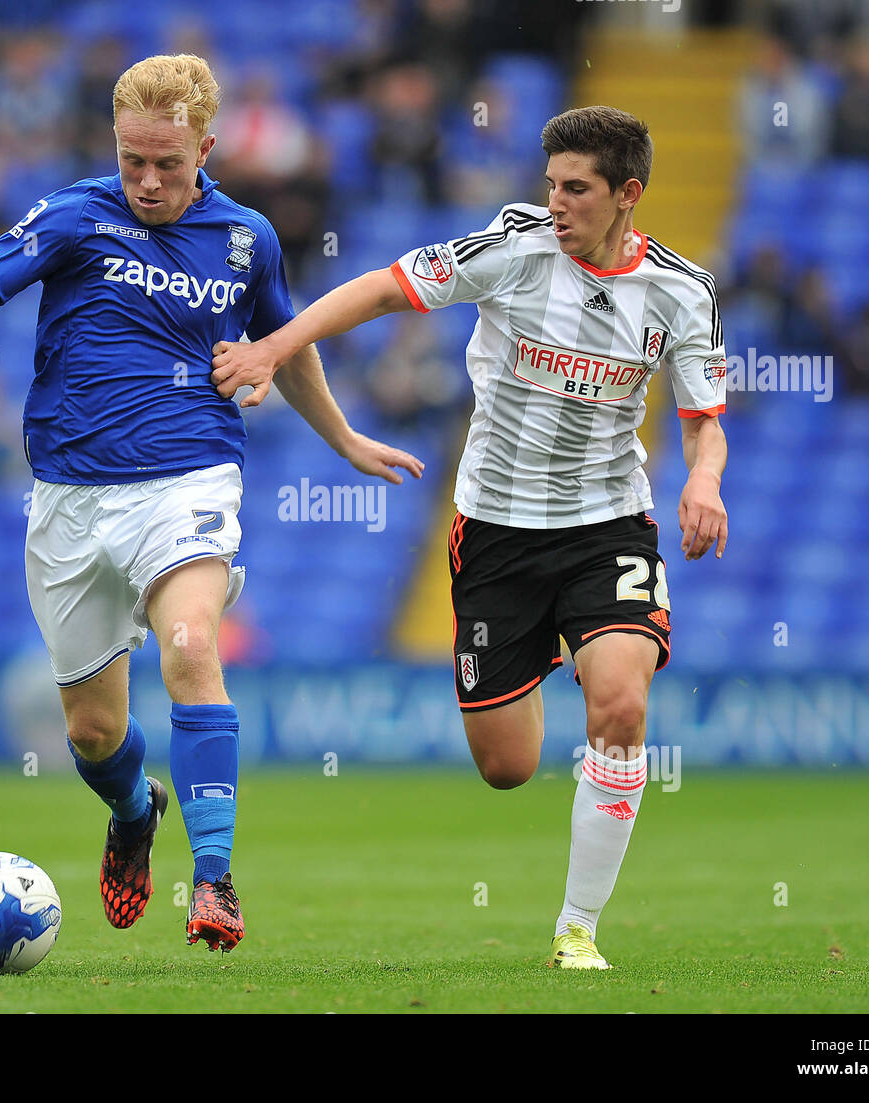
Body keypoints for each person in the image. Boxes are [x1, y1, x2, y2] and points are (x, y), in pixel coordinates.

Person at [212, 105, 728, 969]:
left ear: (627, 194)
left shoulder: (682, 291)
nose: (555, 202)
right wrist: (273, 346)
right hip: (495, 527)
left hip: (610, 524)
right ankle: (557, 652)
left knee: (621, 702)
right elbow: (380, 287)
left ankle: (577, 928)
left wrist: (704, 478)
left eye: (577, 189)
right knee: (507, 765)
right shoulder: (511, 250)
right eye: (550, 184)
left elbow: (704, 418)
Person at [0, 54, 422, 953]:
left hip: (188, 477)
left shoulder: (248, 237)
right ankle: (132, 808)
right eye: (132, 161)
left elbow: (283, 342)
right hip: (70, 497)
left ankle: (216, 881)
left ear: (206, 145)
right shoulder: (76, 214)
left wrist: (344, 439)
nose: (149, 181)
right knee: (93, 731)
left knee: (193, 644)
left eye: (168, 161)